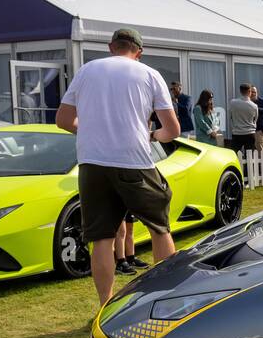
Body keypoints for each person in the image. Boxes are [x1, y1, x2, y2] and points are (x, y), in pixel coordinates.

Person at [54, 27, 179, 306]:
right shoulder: (149, 74)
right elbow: (172, 130)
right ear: (139, 51)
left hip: (92, 163)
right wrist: (151, 135)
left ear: (111, 46)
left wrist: (89, 131)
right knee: (160, 228)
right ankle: (166, 303)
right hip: (133, 160)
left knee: (101, 239)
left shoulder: (87, 70)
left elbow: (63, 120)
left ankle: (105, 307)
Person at [227, 83, 258, 156]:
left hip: (237, 133)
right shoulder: (254, 106)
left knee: (233, 155)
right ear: (249, 91)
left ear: (240, 91)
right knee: (250, 157)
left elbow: (230, 116)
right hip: (250, 133)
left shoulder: (232, 103)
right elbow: (255, 120)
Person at [250, 85, 263, 152]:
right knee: (250, 151)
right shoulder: (246, 103)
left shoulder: (262, 101)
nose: (253, 94)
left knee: (260, 151)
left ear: (257, 93)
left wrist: (257, 109)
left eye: (255, 92)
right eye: (251, 92)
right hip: (248, 131)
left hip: (259, 130)